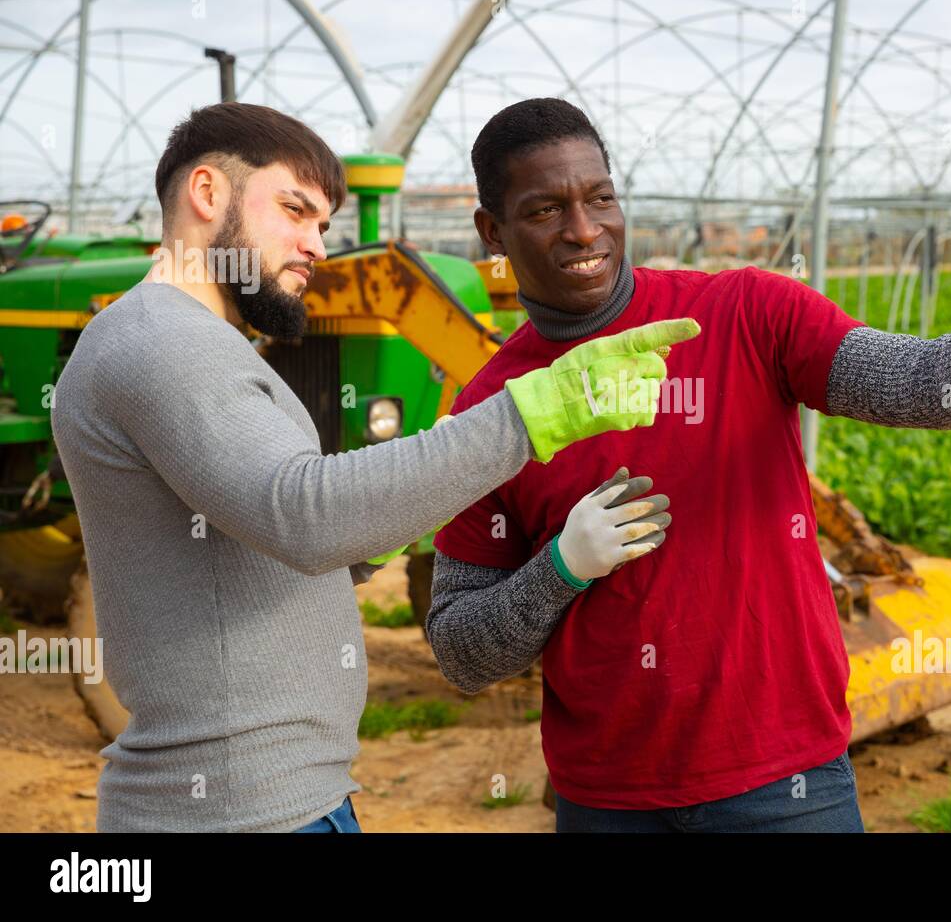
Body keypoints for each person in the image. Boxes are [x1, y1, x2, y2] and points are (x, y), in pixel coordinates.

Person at [426, 97, 951, 833]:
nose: (583, 230)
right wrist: (560, 569)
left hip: (786, 782)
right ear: (492, 231)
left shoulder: (744, 312)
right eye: (545, 210)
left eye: (599, 198)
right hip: (610, 800)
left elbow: (926, 383)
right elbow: (461, 651)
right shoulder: (491, 412)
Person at [50, 101, 696, 832]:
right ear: (207, 192)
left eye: (324, 225)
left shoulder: (196, 342)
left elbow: (286, 541)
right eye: (295, 211)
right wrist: (530, 414)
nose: (316, 247)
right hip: (240, 813)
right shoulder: (162, 339)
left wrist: (419, 493)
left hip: (278, 802)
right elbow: (304, 515)